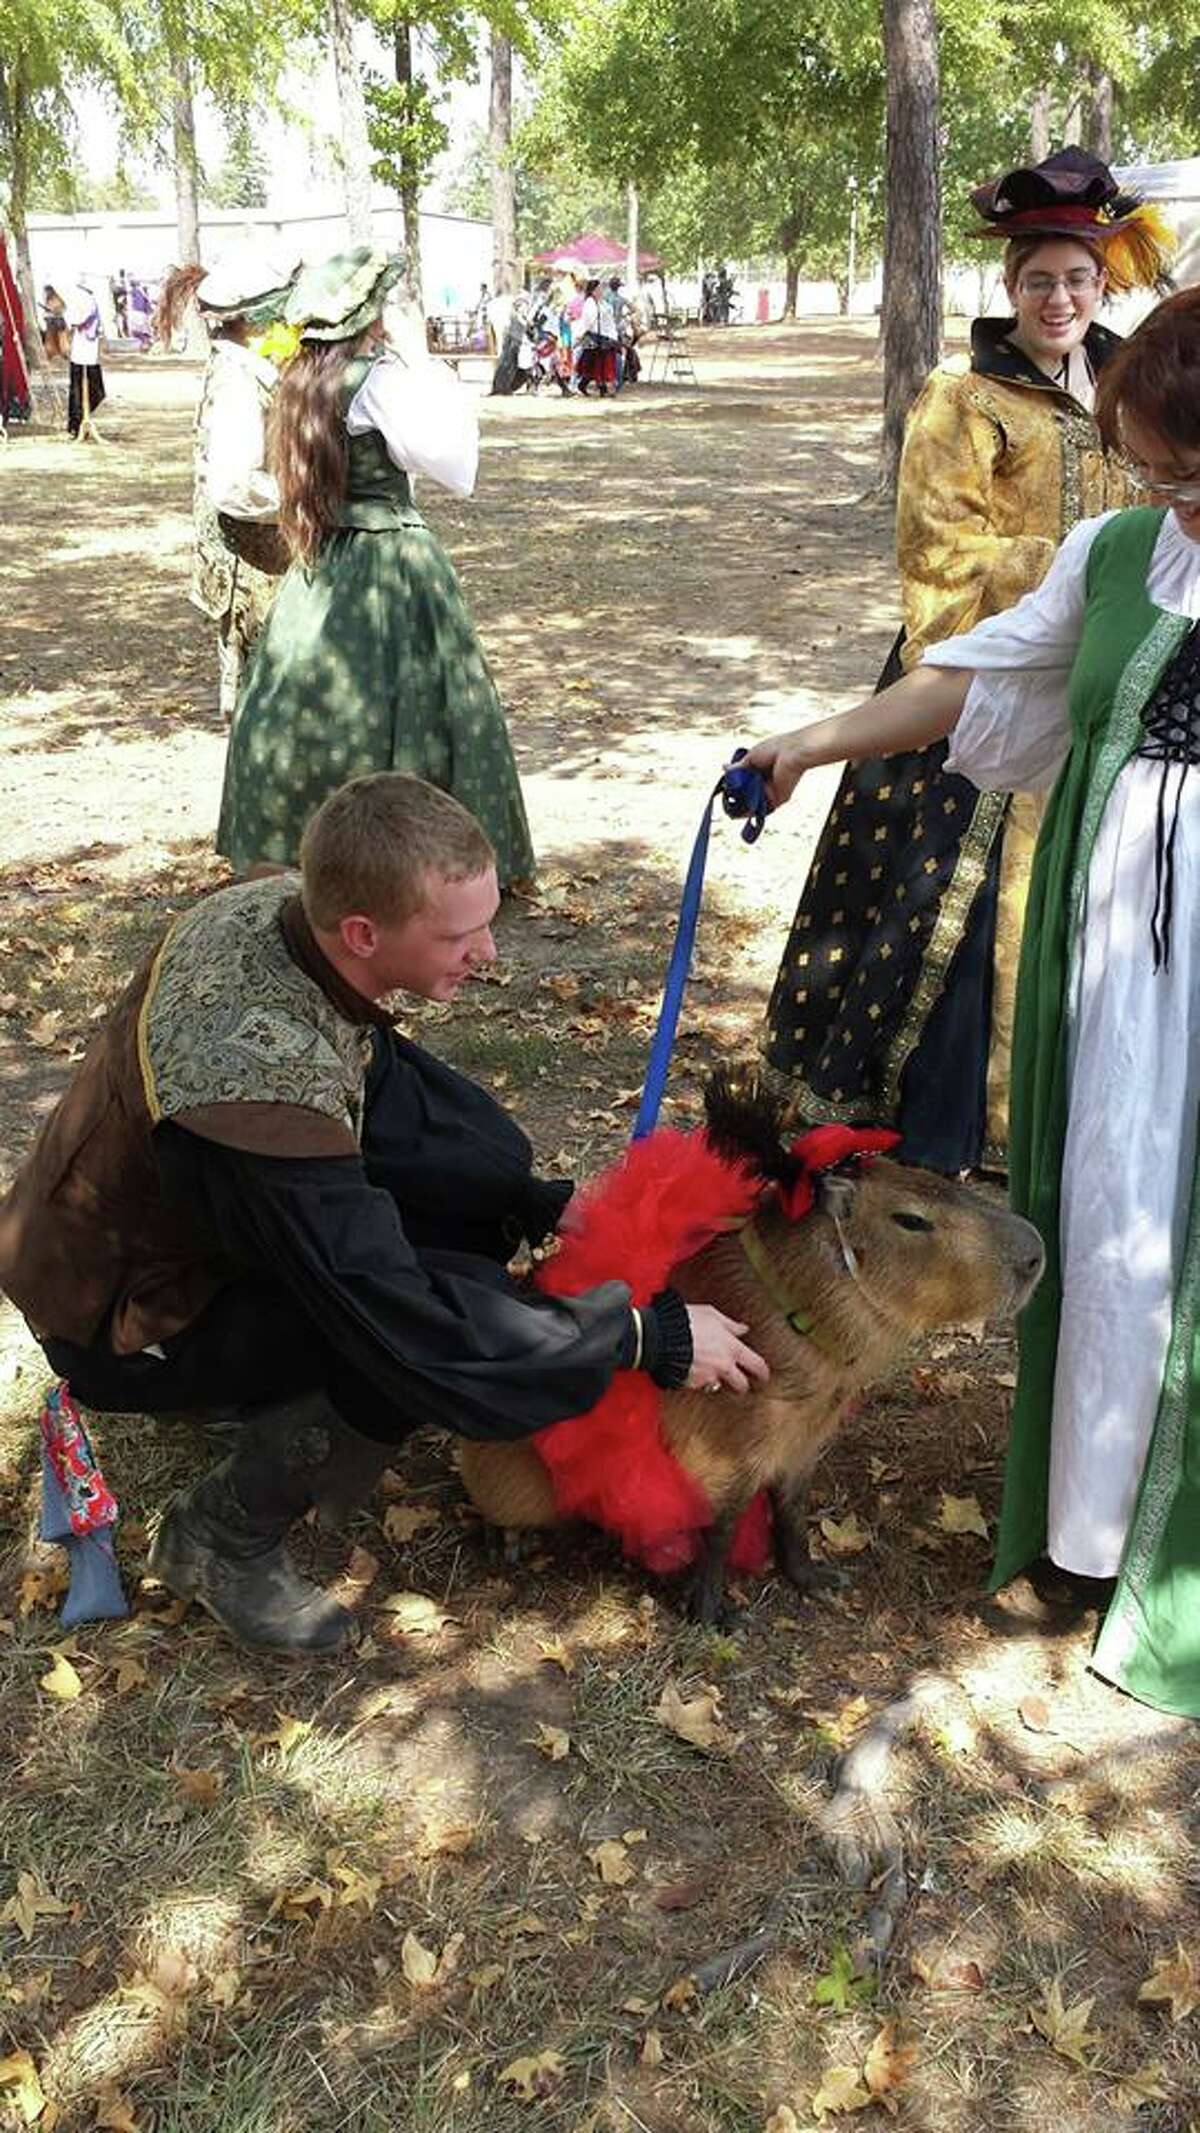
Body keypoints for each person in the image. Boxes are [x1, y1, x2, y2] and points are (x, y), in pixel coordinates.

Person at [0, 773, 768, 1656]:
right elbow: (407, 1317)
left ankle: (253, 1396)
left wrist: (538, 1203)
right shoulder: (253, 1100)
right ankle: (218, 1538)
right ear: (363, 932)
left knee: (471, 1196)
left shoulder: (284, 912)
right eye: (458, 933)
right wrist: (644, 1336)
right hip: (123, 1317)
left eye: (489, 920)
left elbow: (384, 1094)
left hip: (162, 1231)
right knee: (396, 1337)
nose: (489, 953)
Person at [743, 285, 1200, 1720]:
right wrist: (808, 741)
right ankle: (1089, 1541)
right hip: (1130, 949)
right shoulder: (1122, 553)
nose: (1172, 501)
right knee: (1116, 1221)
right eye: (1153, 472)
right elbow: (970, 677)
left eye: (1196, 473)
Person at [764, 148, 1173, 1175]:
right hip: (977, 678)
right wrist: (1086, 569)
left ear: (1104, 279)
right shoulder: (962, 398)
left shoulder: (1131, 388)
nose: (1060, 298)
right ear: (1010, 287)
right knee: (933, 913)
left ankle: (1035, 1115)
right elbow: (938, 554)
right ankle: (933, 1126)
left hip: (1099, 685)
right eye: (1039, 280)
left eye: (1078, 278)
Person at [217, 245, 536, 889]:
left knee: (315, 703)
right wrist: (420, 359)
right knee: (415, 701)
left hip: (324, 564)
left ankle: (304, 850)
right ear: (368, 320)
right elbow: (455, 466)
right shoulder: (379, 381)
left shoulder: (296, 381)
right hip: (393, 563)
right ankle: (418, 865)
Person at [187, 241, 298, 720]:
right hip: (250, 572)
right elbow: (233, 485)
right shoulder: (238, 379)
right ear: (259, 318)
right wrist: (302, 497)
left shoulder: (251, 369)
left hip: (260, 564)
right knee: (264, 710)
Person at [64, 276, 106, 438]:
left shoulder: (88, 300)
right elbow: (74, 319)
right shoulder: (82, 299)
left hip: (88, 347)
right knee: (78, 386)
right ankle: (77, 421)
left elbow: (79, 318)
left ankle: (80, 420)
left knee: (88, 386)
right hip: (82, 347)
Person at [574, 277, 619, 398]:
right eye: (599, 288)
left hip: (606, 336)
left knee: (601, 364)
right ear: (593, 290)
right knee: (596, 364)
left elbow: (609, 320)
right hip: (595, 337)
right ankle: (599, 387)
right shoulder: (590, 303)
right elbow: (588, 321)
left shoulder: (603, 303)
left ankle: (600, 387)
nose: (601, 290)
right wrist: (580, 334)